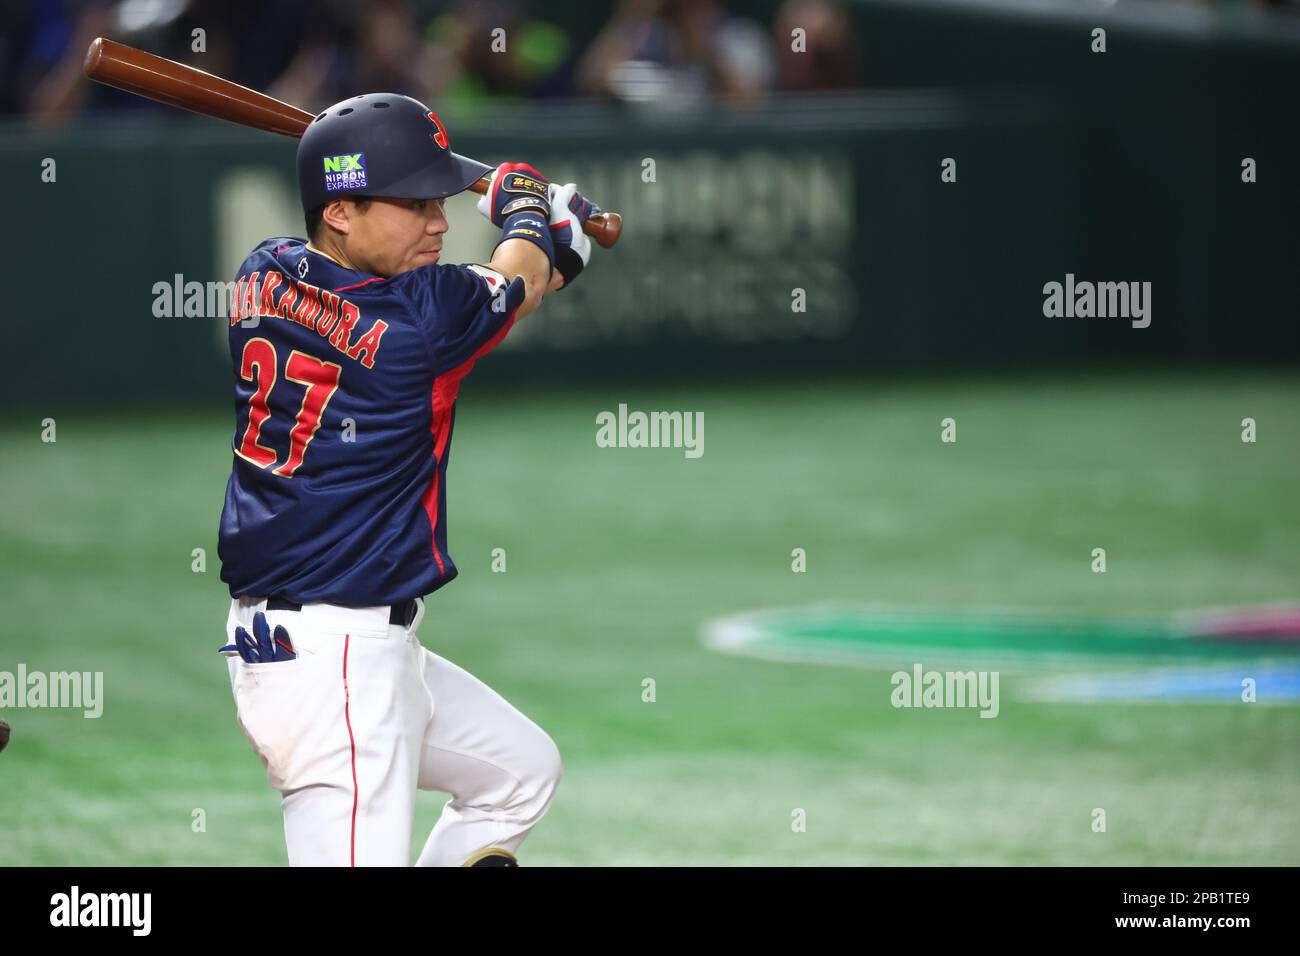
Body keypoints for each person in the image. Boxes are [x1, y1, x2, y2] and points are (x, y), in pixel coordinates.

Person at [215, 93, 596, 866]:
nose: (440, 221)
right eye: (417, 204)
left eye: (440, 199)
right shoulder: (417, 324)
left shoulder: (264, 273)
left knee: (520, 774)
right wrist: (527, 207)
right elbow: (516, 278)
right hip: (339, 666)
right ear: (343, 213)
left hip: (317, 644)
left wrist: (547, 243)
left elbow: (510, 283)